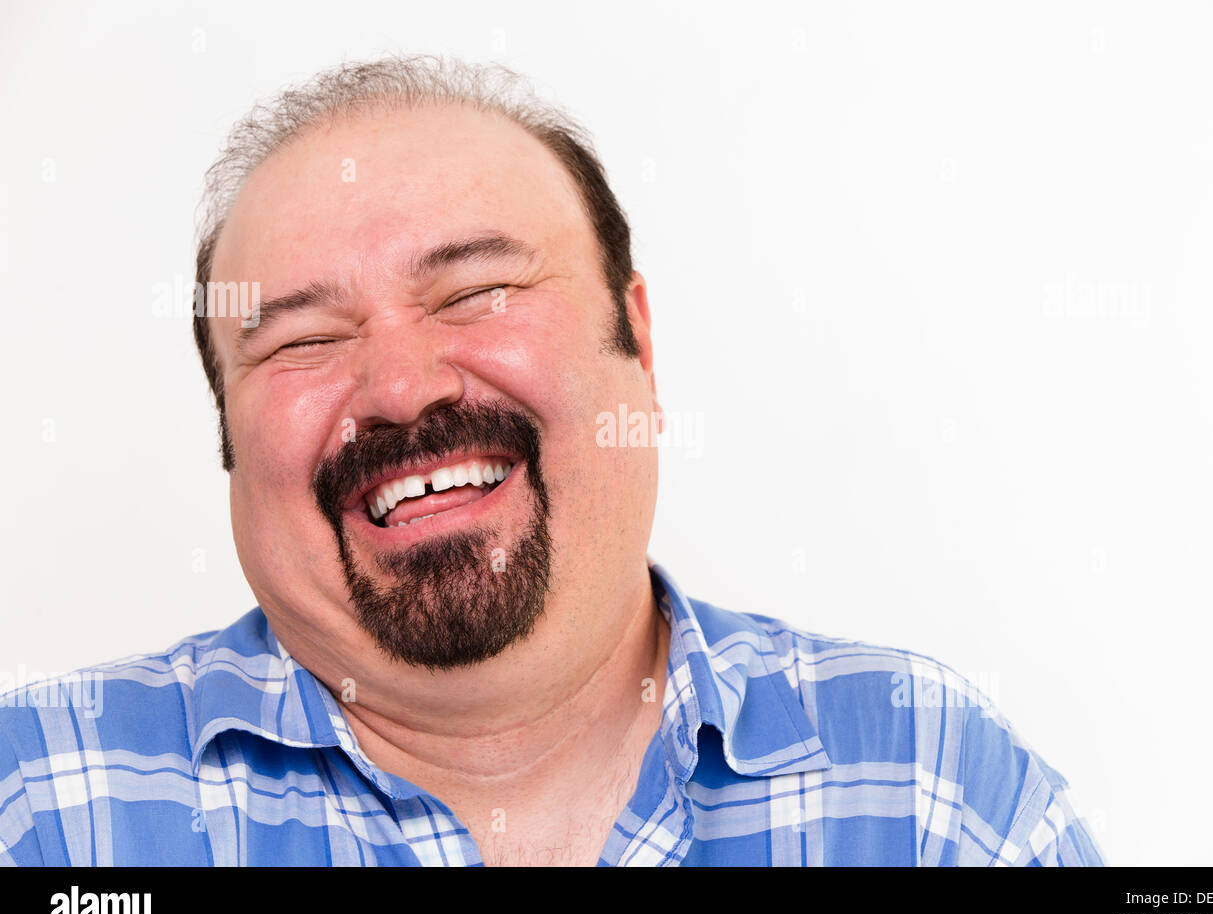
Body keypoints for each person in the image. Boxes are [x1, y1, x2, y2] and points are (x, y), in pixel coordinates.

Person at [0, 55, 1104, 866]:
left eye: (477, 290)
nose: (400, 388)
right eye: (301, 339)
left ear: (639, 342)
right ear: (232, 439)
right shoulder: (40, 806)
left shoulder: (928, 787)